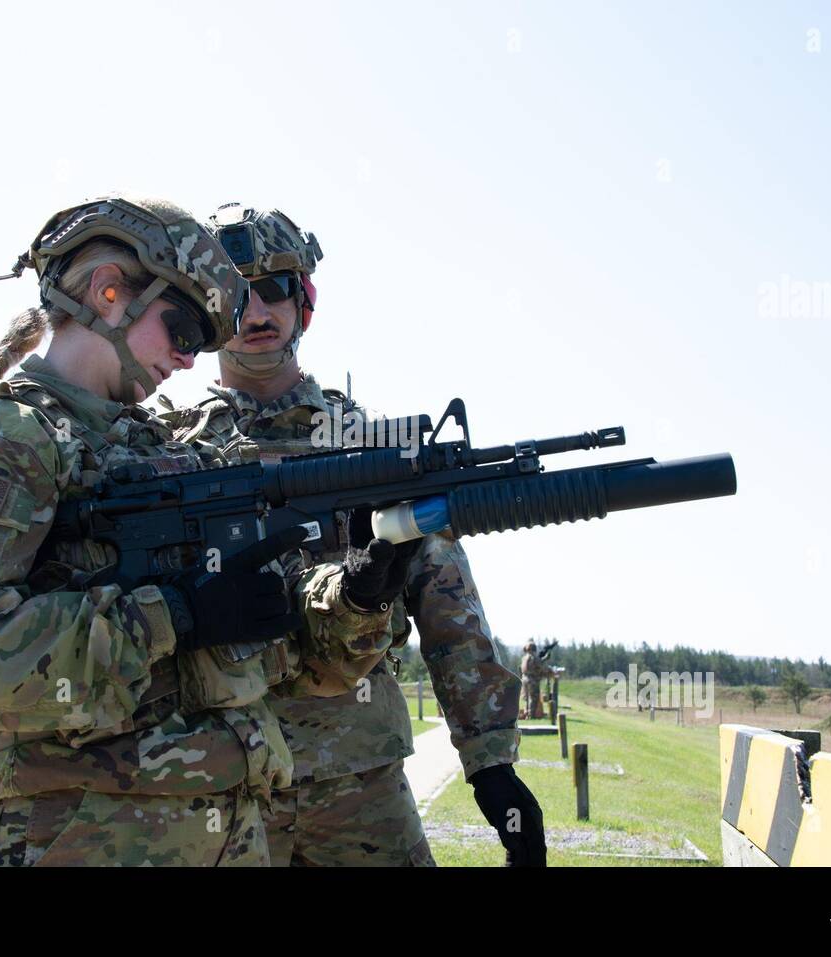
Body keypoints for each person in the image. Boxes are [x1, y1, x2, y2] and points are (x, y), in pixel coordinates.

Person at [0, 196, 410, 867]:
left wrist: (351, 597)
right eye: (181, 330)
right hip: (80, 837)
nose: (188, 359)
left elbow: (274, 658)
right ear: (106, 290)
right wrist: (170, 614)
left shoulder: (158, 449)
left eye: (202, 341)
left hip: (229, 830)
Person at [162, 203, 546, 866]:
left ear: (304, 301)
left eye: (276, 288)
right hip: (214, 778)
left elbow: (445, 596)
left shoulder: (368, 446)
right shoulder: (163, 450)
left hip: (357, 777)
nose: (257, 312)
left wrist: (489, 761)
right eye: (237, 292)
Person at [520, 641, 554, 719]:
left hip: (524, 679)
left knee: (527, 698)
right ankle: (531, 715)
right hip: (532, 680)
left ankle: (527, 713)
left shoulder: (525, 657)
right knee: (533, 698)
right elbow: (540, 666)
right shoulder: (533, 657)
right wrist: (546, 660)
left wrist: (544, 658)